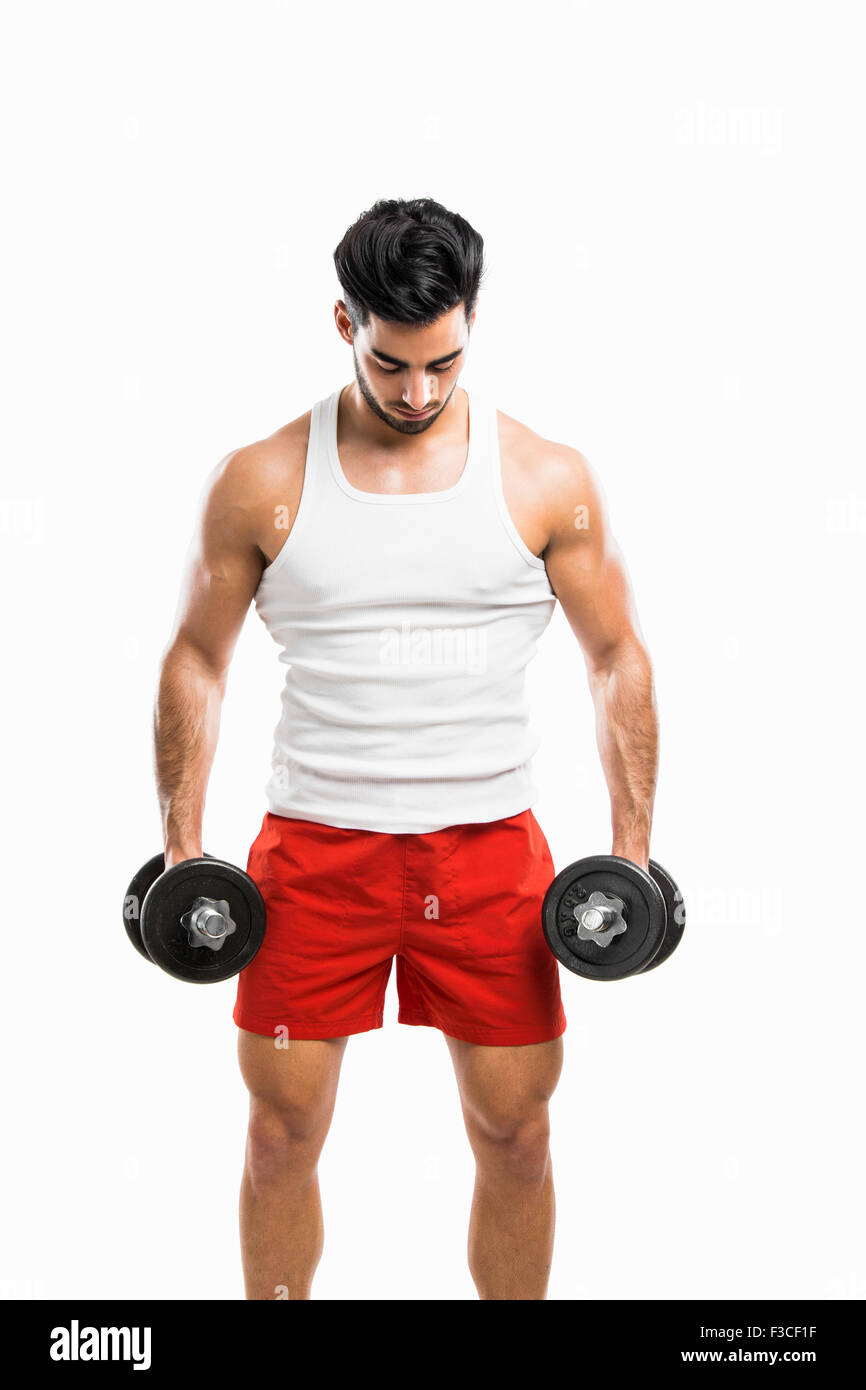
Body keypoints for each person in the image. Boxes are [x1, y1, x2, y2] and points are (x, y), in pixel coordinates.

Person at [153, 197, 658, 1300]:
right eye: (390, 364)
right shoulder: (265, 480)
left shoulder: (542, 479)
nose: (417, 392)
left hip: (488, 857)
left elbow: (615, 655)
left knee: (515, 1132)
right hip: (313, 853)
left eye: (442, 363)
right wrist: (182, 850)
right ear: (345, 323)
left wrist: (631, 854)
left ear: (469, 325)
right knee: (281, 1136)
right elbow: (198, 657)